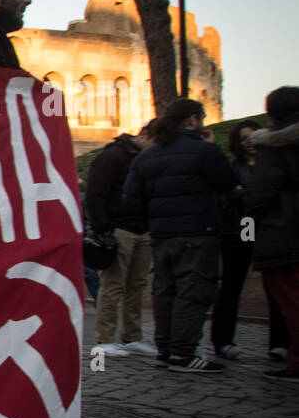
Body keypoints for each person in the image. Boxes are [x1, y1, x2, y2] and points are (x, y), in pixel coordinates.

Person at [123, 98, 235, 372]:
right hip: (198, 231)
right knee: (193, 289)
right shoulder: (203, 151)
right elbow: (228, 183)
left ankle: (165, 349)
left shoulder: (146, 156)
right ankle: (183, 353)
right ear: (193, 119)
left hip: (162, 234)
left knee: (166, 290)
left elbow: (131, 201)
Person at [244, 86, 299, 382]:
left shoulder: (274, 146)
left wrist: (246, 232)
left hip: (284, 232)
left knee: (292, 300)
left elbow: (259, 195)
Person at [87, 123, 157, 357]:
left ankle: (132, 336)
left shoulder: (143, 158)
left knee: (136, 285)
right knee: (113, 285)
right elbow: (96, 194)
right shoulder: (113, 156)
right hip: (119, 229)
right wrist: (102, 229)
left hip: (142, 229)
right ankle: (105, 339)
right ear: (145, 135)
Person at [210, 120, 263, 359]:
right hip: (241, 227)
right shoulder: (234, 167)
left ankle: (280, 344)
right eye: (244, 138)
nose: (250, 142)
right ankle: (223, 340)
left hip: (270, 228)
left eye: (253, 136)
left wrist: (246, 193)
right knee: (233, 283)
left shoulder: (271, 164)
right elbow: (231, 197)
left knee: (276, 285)